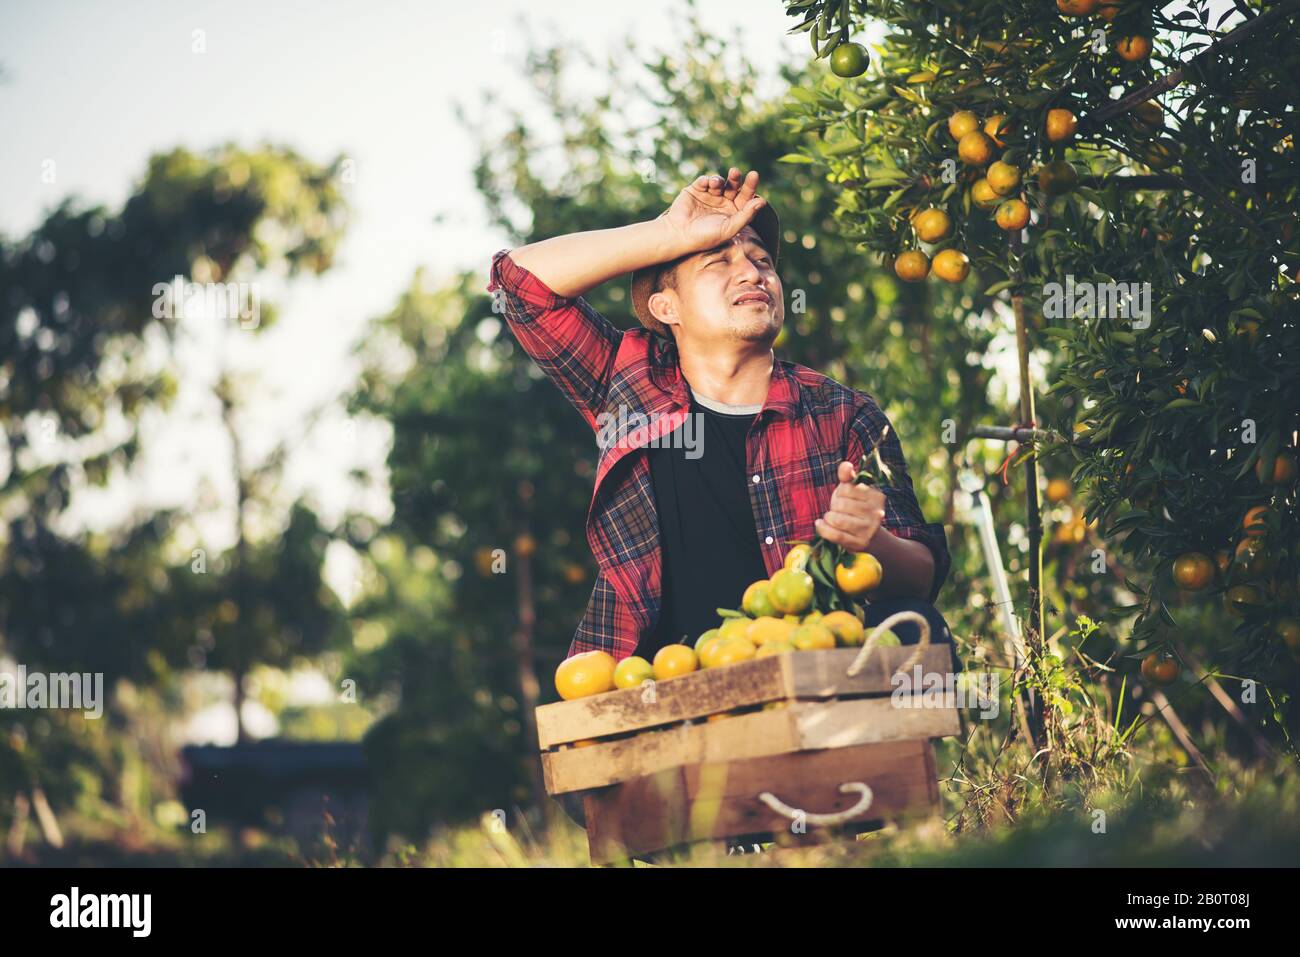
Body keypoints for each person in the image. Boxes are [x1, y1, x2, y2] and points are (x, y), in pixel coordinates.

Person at [487, 166, 954, 847]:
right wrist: (669, 233)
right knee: (591, 727)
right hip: (669, 690)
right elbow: (518, 287)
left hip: (805, 692)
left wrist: (872, 540)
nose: (752, 270)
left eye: (763, 261)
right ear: (666, 307)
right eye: (720, 259)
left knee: (916, 628)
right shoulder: (629, 383)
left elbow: (922, 574)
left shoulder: (842, 413)